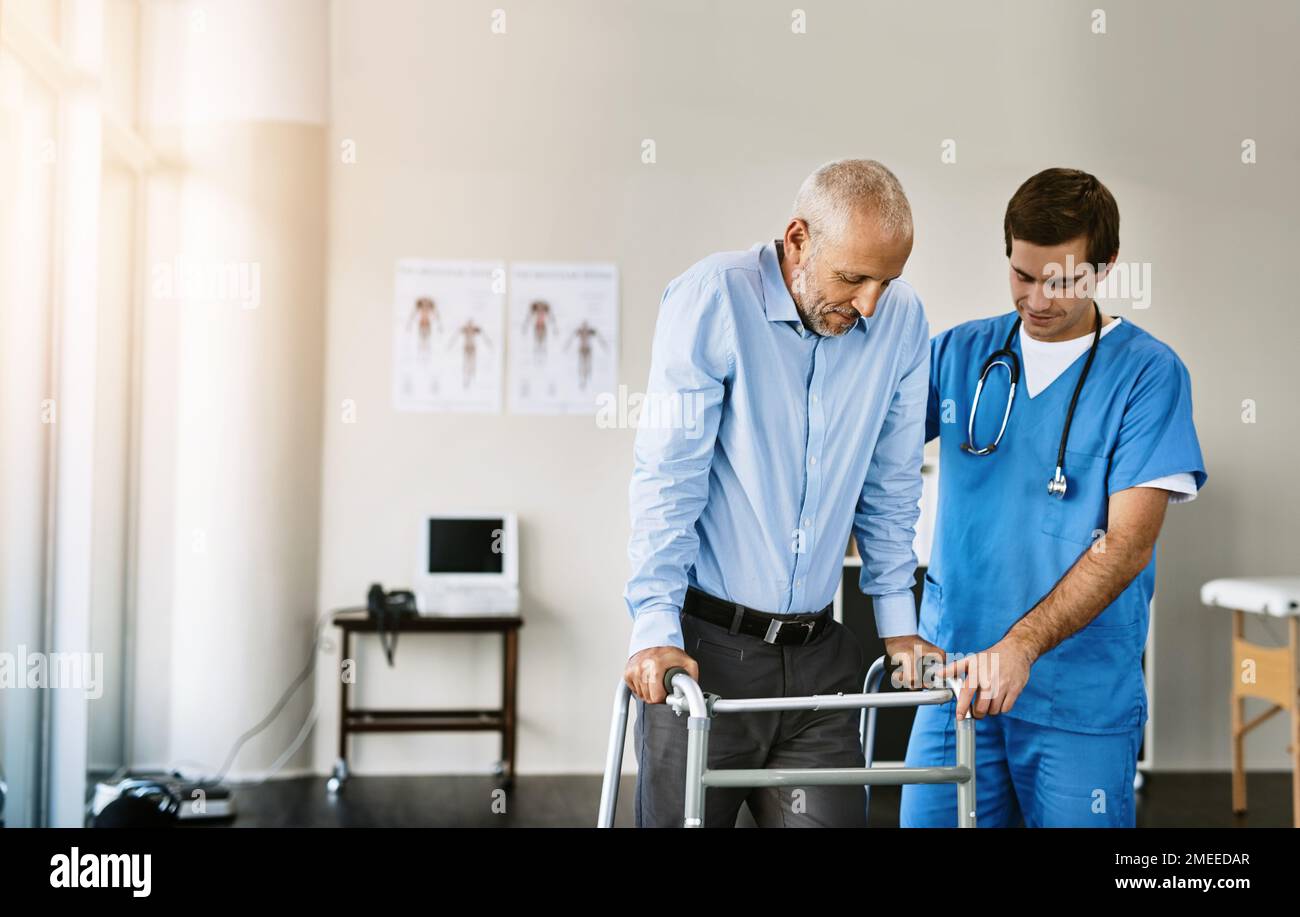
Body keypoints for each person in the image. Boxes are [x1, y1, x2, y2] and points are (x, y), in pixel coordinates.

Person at [623, 159, 940, 827]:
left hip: (822, 662)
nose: (870, 304)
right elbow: (668, 477)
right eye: (853, 277)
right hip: (705, 657)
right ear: (798, 239)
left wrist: (899, 625)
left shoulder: (903, 322)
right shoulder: (714, 297)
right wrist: (652, 626)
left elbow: (890, 482)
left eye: (887, 280)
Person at [901, 167, 1207, 828]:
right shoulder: (959, 354)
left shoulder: (1148, 375)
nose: (1037, 299)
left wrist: (1022, 646)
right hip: (952, 681)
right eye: (1021, 275)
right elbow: (859, 447)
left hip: (1078, 698)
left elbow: (1127, 544)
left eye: (1061, 280)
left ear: (1106, 267)